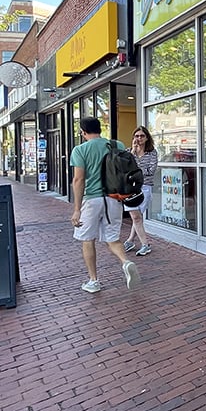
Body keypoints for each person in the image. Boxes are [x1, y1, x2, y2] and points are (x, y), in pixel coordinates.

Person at [70, 116, 141, 293]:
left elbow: (78, 180)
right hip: (114, 198)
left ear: (83, 131)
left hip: (92, 200)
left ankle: (94, 281)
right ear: (100, 129)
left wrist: (77, 209)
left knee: (87, 240)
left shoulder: (80, 150)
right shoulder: (116, 144)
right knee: (113, 239)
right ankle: (126, 262)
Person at [123, 126, 158, 256]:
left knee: (137, 217)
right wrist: (133, 152)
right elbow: (125, 168)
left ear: (147, 138)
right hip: (129, 188)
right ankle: (144, 244)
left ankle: (131, 240)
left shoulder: (152, 153)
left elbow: (151, 171)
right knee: (136, 216)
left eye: (142, 136)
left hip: (145, 187)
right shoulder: (128, 152)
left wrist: (135, 169)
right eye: (136, 136)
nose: (139, 138)